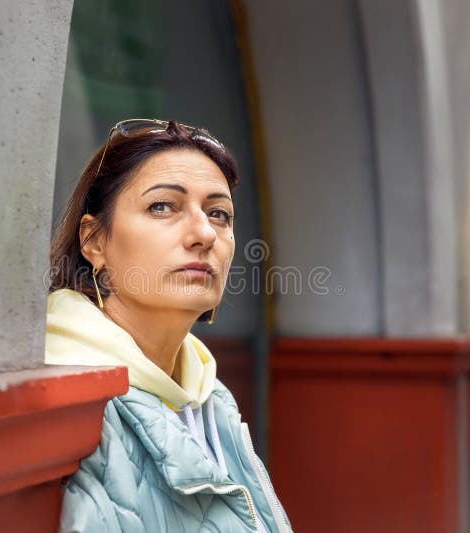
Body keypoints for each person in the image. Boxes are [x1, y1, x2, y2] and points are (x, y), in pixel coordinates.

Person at [45, 119, 291, 532]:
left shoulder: (208, 395)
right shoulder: (64, 397)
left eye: (219, 214)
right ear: (94, 241)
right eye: (162, 206)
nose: (204, 234)